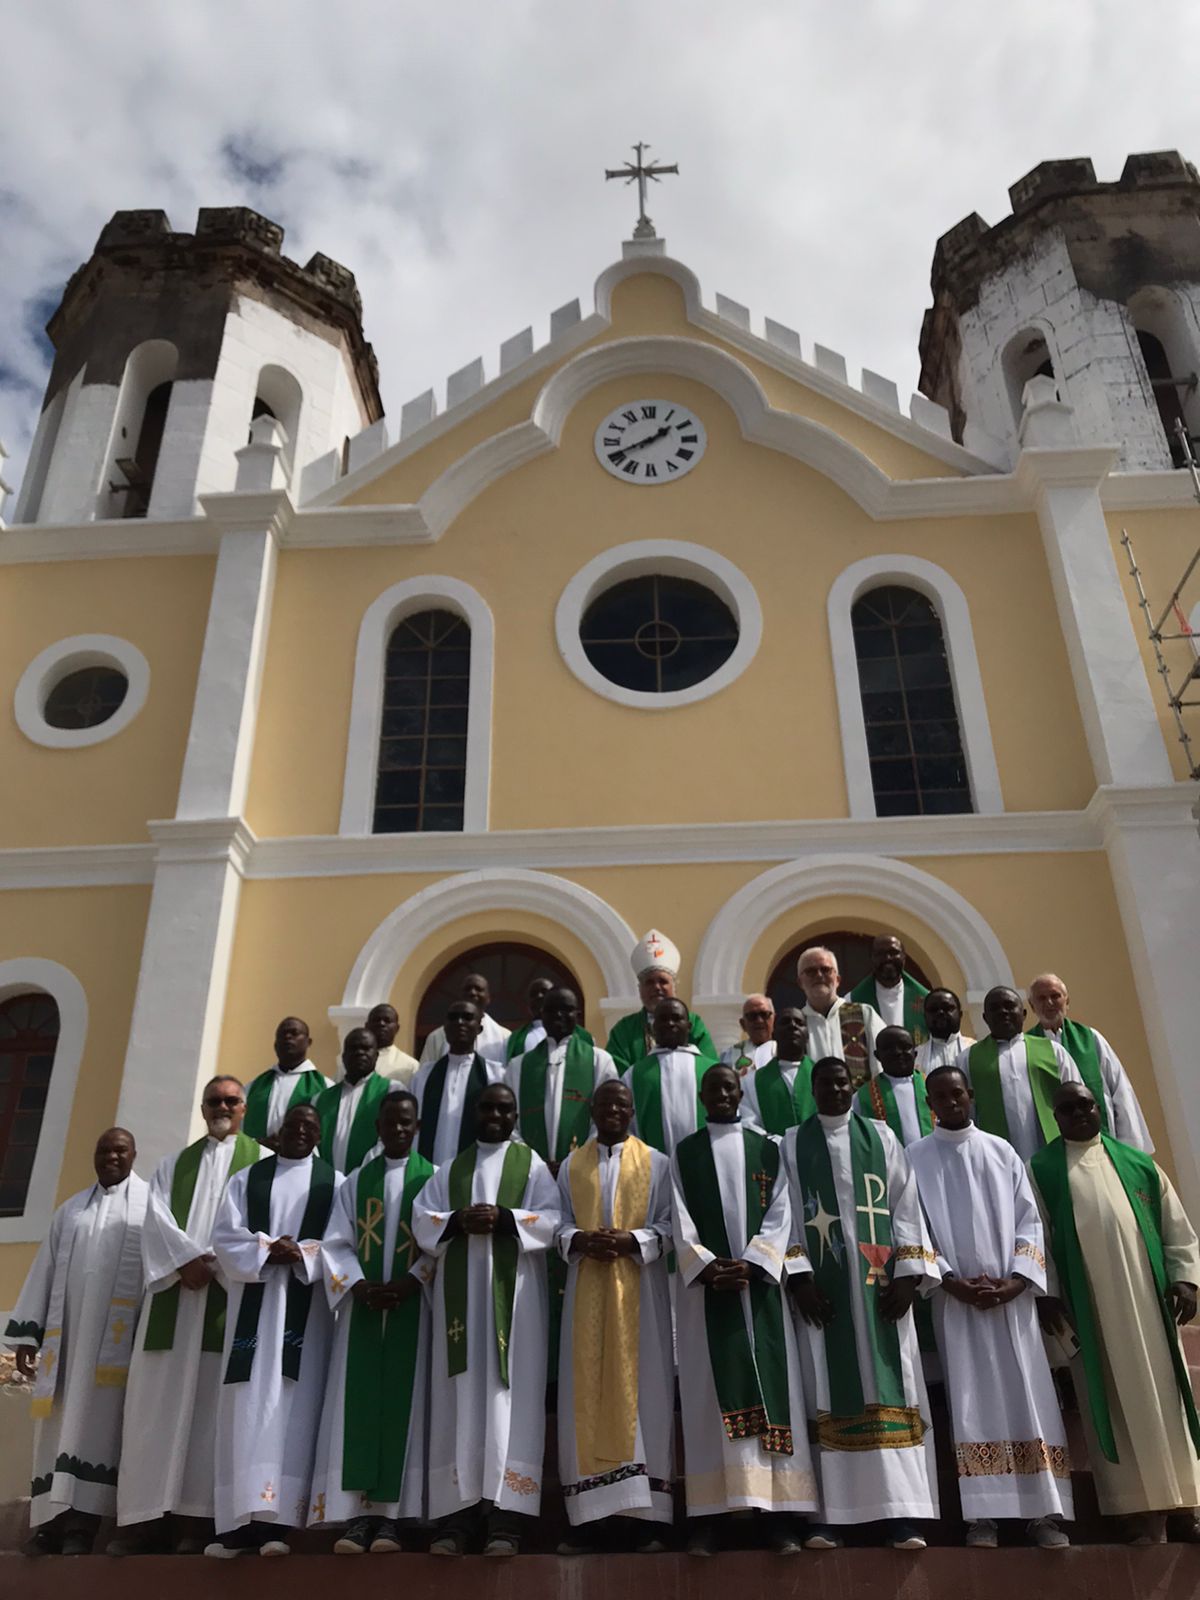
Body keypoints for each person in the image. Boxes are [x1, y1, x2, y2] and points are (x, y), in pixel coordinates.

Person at [908, 1067, 1072, 1549]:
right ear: (929, 1101)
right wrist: (948, 1280)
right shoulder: (915, 1157)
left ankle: (1043, 1512)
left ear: (970, 1095)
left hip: (1011, 1302)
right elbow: (912, 1229)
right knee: (970, 1399)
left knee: (1028, 1396)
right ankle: (984, 1516)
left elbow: (1030, 1221)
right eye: (940, 1095)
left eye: (957, 1093)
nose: (951, 1101)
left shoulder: (1002, 1151)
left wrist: (1017, 1280)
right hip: (954, 1302)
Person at [1030, 1082, 1200, 1545]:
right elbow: (1038, 1235)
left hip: (1150, 1306)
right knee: (1112, 1403)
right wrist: (1048, 1296)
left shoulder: (1138, 1163)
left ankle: (1187, 1506)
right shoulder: (1042, 1169)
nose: (1079, 1114)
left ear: (1098, 1107)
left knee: (1168, 1403)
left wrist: (1185, 1278)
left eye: (1086, 1105)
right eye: (1068, 1109)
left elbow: (1175, 1227)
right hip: (1092, 1312)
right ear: (1056, 1116)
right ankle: (1136, 1514)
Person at [782, 1058, 939, 1550]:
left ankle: (901, 1514)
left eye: (842, 1081)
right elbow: (782, 1210)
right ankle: (828, 1515)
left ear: (854, 1086)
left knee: (894, 1386)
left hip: (881, 1290)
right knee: (824, 1389)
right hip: (822, 1295)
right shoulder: (791, 1143)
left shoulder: (882, 1138)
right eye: (824, 1082)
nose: (833, 1089)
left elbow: (905, 1203)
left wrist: (910, 1276)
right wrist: (800, 1274)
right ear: (813, 1088)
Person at [111, 1078, 265, 1555]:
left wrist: (216, 1265)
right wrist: (184, 1261)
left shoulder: (261, 1164)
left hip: (226, 1299)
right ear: (202, 1108)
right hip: (175, 1300)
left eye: (231, 1101)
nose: (222, 1107)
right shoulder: (173, 1164)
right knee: (154, 1408)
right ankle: (144, 1521)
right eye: (214, 1101)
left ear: (244, 1109)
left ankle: (197, 1522)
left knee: (210, 1411)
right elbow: (155, 1218)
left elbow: (259, 1223)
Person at [671, 1064, 818, 1555]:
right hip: (708, 1297)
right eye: (712, 1089)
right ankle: (713, 1515)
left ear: (740, 1093)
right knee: (707, 1399)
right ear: (701, 1095)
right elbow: (680, 1219)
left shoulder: (767, 1147)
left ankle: (776, 1515)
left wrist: (756, 1263)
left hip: (760, 1293)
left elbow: (783, 1212)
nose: (721, 1095)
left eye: (729, 1088)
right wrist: (708, 1266)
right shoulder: (685, 1152)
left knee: (774, 1391)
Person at [413, 1083, 560, 1556]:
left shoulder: (532, 1164)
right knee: (458, 1402)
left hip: (515, 1308)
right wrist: (455, 1222)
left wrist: (505, 1218)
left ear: (516, 1114)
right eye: (487, 1107)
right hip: (459, 1311)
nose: (495, 1114)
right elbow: (423, 1219)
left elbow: (553, 1219)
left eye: (504, 1108)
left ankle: (506, 1519)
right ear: (475, 1113)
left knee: (510, 1403)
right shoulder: (449, 1170)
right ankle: (456, 1520)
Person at [206, 1103, 340, 1558]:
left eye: (310, 1127)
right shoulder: (247, 1179)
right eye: (293, 1125)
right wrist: (266, 1248)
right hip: (254, 1304)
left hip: (307, 1314)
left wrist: (301, 1254)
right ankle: (238, 1523)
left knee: (293, 1406)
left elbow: (343, 1245)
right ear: (278, 1132)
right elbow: (223, 1235)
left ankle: (279, 1524)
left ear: (319, 1134)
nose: (301, 1132)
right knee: (246, 1406)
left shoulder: (334, 1183)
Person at [6, 1129, 147, 1557]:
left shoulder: (148, 1209)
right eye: (104, 1150)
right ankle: (48, 1526)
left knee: (98, 1436)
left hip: (114, 1350)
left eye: (120, 1150)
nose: (111, 1157)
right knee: (56, 1434)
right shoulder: (70, 1212)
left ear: (133, 1155)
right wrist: (28, 1336)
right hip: (64, 1347)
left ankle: (82, 1529)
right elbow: (43, 1272)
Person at [309, 1092, 436, 1554]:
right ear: (378, 1128)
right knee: (357, 1404)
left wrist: (412, 1280)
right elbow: (336, 1243)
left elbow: (438, 1243)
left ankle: (392, 1520)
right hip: (363, 1310)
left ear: (417, 1127)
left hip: (411, 1309)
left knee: (408, 1406)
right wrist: (357, 1286)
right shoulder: (355, 1183)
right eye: (390, 1123)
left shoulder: (434, 1180)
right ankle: (357, 1516)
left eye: (406, 1123)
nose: (398, 1130)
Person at [555, 1080, 674, 1551]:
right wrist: (578, 1241)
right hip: (586, 1292)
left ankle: (647, 1520)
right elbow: (557, 1221)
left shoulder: (657, 1163)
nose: (612, 1111)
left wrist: (633, 1242)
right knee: (585, 1394)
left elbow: (670, 1225)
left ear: (630, 1111)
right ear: (593, 1109)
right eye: (604, 1104)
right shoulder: (571, 1165)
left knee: (644, 1395)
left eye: (621, 1105)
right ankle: (590, 1521)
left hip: (640, 1295)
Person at [1026, 973, 1152, 1150]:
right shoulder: (1027, 1047)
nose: (1049, 1003)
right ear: (1032, 1006)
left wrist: (1130, 1146)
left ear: (1067, 1001)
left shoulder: (1091, 1039)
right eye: (1041, 998)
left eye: (1055, 996)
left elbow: (1119, 1089)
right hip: (1053, 1145)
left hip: (1102, 1140)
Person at [958, 987, 1079, 1162]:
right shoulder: (968, 1058)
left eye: (1009, 1006)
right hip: (995, 1157)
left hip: (1052, 1151)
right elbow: (967, 1112)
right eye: (995, 1008)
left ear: (1023, 1014)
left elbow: (1076, 1097)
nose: (1003, 1012)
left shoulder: (1053, 1051)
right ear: (985, 1017)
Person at [506, 987, 617, 1178]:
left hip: (587, 1168)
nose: (558, 1015)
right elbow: (510, 1121)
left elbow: (607, 1116)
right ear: (541, 1014)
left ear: (578, 1014)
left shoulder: (599, 1060)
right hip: (532, 1173)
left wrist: (578, 1158)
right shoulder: (519, 1065)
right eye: (551, 1009)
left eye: (566, 1009)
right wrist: (533, 1162)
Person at [411, 1000, 506, 1165]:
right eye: (453, 1018)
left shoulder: (495, 1075)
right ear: (445, 1028)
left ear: (479, 1029)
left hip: (474, 1171)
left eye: (467, 1017)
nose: (459, 1022)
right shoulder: (423, 1076)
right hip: (428, 1171)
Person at [606, 930, 715, 1072]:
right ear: (640, 989)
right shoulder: (624, 1030)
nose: (656, 987)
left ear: (674, 986)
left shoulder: (693, 1024)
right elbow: (615, 1072)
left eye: (663, 981)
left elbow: (709, 1069)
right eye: (649, 982)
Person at [623, 997, 717, 1158]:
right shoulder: (635, 1074)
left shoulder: (711, 1070)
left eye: (676, 1018)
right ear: (653, 1028)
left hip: (705, 1165)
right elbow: (627, 1127)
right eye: (663, 1019)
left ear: (689, 1026)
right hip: (652, 1169)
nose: (670, 1024)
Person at [796, 947, 882, 1089]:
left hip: (860, 1107)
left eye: (825, 970)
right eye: (810, 971)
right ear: (800, 982)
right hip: (814, 1108)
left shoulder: (864, 1013)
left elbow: (881, 1065)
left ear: (837, 979)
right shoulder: (796, 1024)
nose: (819, 975)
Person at [314, 1027, 393, 1174]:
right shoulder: (320, 1099)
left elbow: (389, 1140)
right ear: (343, 1056)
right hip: (326, 1181)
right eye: (353, 1048)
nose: (359, 1052)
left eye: (366, 1048)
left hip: (369, 1179)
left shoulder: (390, 1091)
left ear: (376, 1055)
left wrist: (360, 1176)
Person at [242, 1017, 330, 1148]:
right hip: (258, 1160)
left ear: (308, 1042)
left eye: (294, 1033)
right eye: (282, 1034)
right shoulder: (252, 1087)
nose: (288, 1037)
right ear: (275, 1044)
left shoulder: (326, 1087)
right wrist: (259, 1144)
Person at [742, 1007, 815, 1135]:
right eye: (785, 1022)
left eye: (799, 1023)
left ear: (807, 1034)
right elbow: (749, 1124)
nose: (792, 1026)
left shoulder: (823, 1075)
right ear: (774, 1033)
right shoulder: (750, 1082)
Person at [856, 1027, 931, 1150]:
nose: (897, 1052)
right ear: (877, 1055)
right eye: (888, 1048)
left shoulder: (931, 1085)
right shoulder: (863, 1096)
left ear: (915, 1052)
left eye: (905, 1047)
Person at [848, 934, 929, 1040]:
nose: (887, 958)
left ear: (904, 957)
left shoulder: (926, 1000)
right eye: (880, 954)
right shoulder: (851, 1002)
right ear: (872, 958)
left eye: (894, 953)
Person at [420, 973, 511, 1066]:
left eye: (478, 989)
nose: (472, 992)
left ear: (488, 998)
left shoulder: (505, 1037)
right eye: (467, 989)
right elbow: (426, 1075)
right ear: (460, 996)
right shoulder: (437, 1037)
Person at [915, 988, 975, 1074]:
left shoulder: (975, 1050)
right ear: (925, 1017)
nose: (940, 1013)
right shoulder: (917, 1056)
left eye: (947, 1008)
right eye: (933, 1009)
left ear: (960, 1014)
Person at [719, 994, 776, 1076]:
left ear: (774, 1019)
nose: (759, 1020)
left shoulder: (784, 1051)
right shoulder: (729, 1055)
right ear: (743, 1024)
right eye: (752, 1016)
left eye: (764, 1014)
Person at [365, 1003, 420, 1088]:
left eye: (387, 1021)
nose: (381, 1024)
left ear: (397, 1028)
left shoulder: (410, 1066)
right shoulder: (351, 1062)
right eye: (376, 1020)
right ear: (367, 1026)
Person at [504, 976, 554, 1062]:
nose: (539, 996)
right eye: (533, 994)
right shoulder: (515, 1039)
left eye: (544, 992)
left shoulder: (572, 1034)